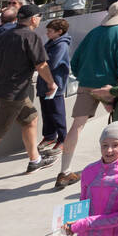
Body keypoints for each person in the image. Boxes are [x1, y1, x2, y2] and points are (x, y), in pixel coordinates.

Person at [0, 4, 60, 188]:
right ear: (33, 19)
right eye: (39, 17)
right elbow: (41, 65)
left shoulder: (5, 35)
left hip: (3, 89)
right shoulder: (31, 36)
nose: (39, 20)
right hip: (14, 95)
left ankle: (35, 160)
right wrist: (51, 83)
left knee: (31, 118)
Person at [55, 0, 118, 189]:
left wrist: (84, 76)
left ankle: (64, 171)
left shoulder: (94, 32)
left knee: (76, 126)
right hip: (110, 87)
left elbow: (75, 60)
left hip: (86, 83)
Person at [40, 18, 72, 153]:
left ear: (59, 32)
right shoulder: (52, 42)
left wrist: (39, 61)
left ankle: (63, 138)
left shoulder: (61, 45)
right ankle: (49, 136)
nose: (47, 34)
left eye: (50, 31)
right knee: (46, 112)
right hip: (45, 83)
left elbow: (51, 63)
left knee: (57, 112)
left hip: (55, 84)